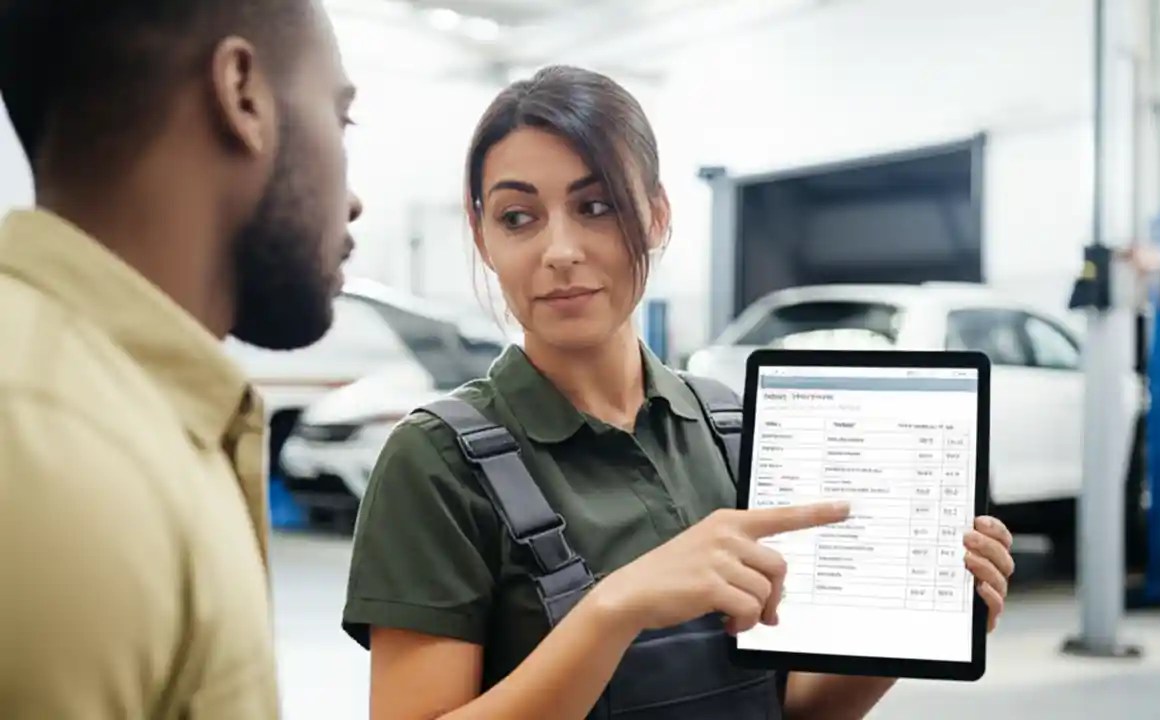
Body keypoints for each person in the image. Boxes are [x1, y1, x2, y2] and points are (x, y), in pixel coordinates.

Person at [342, 65, 1015, 720]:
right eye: (519, 217)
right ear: (484, 237)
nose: (561, 249)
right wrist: (614, 610)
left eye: (596, 206)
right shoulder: (435, 464)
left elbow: (791, 709)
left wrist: (917, 630)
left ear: (657, 216)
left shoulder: (732, 431)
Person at [0, 1, 361, 717]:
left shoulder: (141, 420)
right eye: (341, 119)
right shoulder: (47, 451)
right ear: (242, 95)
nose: (352, 200)